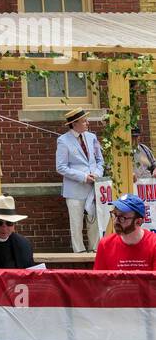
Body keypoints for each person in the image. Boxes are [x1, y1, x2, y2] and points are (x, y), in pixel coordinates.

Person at [55, 108, 104, 253]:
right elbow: (61, 167)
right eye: (84, 121)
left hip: (93, 188)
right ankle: (79, 252)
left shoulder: (92, 137)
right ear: (74, 124)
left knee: (94, 221)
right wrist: (83, 177)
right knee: (76, 224)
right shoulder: (63, 141)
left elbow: (100, 160)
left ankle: (95, 250)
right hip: (75, 190)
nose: (87, 123)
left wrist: (96, 173)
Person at [93, 194, 156, 270]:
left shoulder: (153, 244)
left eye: (122, 218)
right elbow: (99, 280)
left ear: (138, 222)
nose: (116, 221)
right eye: (115, 215)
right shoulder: (105, 245)